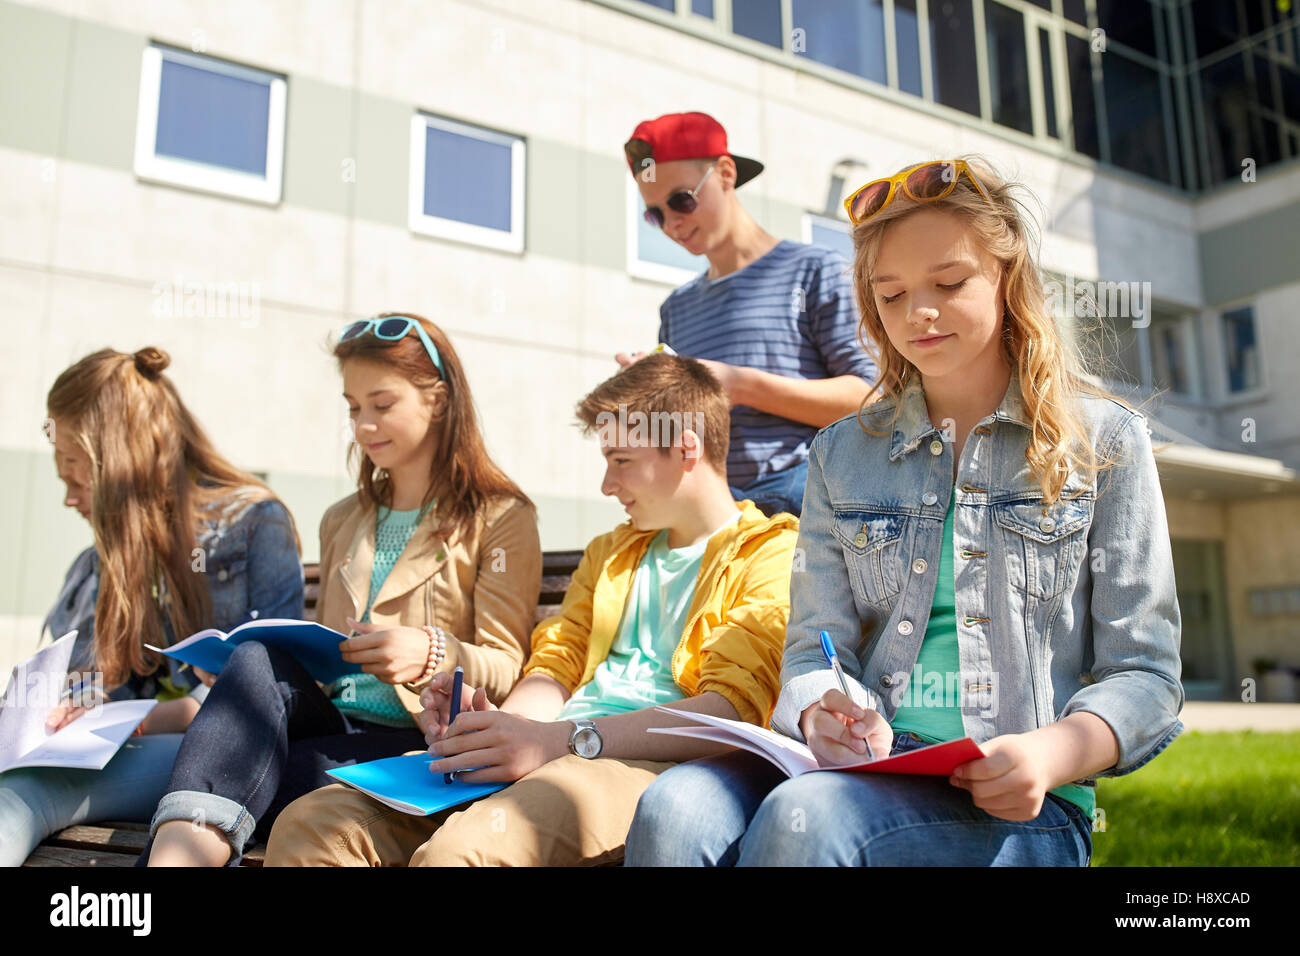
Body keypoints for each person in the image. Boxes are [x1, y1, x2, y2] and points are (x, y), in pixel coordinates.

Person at [624, 157, 1184, 867]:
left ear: (1009, 280)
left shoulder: (1104, 441)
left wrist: (1050, 755)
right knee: (672, 809)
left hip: (1019, 801)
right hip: (865, 770)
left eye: (949, 284)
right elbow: (814, 646)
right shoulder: (840, 455)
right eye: (890, 296)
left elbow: (1146, 673)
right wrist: (824, 705)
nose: (917, 314)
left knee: (806, 819)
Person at [264, 353, 800, 866]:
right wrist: (495, 726)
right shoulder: (612, 552)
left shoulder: (771, 551)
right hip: (558, 745)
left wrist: (560, 740)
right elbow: (556, 665)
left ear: (686, 450)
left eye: (621, 462)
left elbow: (731, 712)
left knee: (462, 854)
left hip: (643, 761)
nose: (607, 485)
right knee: (313, 823)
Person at [142, 314, 541, 866]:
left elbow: (507, 666)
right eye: (353, 408)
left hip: (414, 747)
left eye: (382, 405)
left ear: (440, 401)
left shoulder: (501, 518)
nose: (363, 426)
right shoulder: (342, 519)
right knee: (255, 657)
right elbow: (325, 653)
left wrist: (430, 652)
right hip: (333, 728)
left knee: (226, 765)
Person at [0, 346, 303, 867]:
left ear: (119, 463)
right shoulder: (105, 557)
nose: (69, 499)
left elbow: (269, 695)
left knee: (23, 790)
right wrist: (74, 703)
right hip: (127, 748)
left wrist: (144, 717)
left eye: (75, 476)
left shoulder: (254, 525)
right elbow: (85, 679)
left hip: (221, 761)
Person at [618, 111, 879, 518]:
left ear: (725, 173)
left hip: (804, 513)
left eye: (681, 200)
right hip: (713, 516)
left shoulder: (815, 271)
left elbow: (873, 401)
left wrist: (739, 386)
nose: (671, 224)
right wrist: (649, 391)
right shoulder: (677, 308)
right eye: (655, 214)